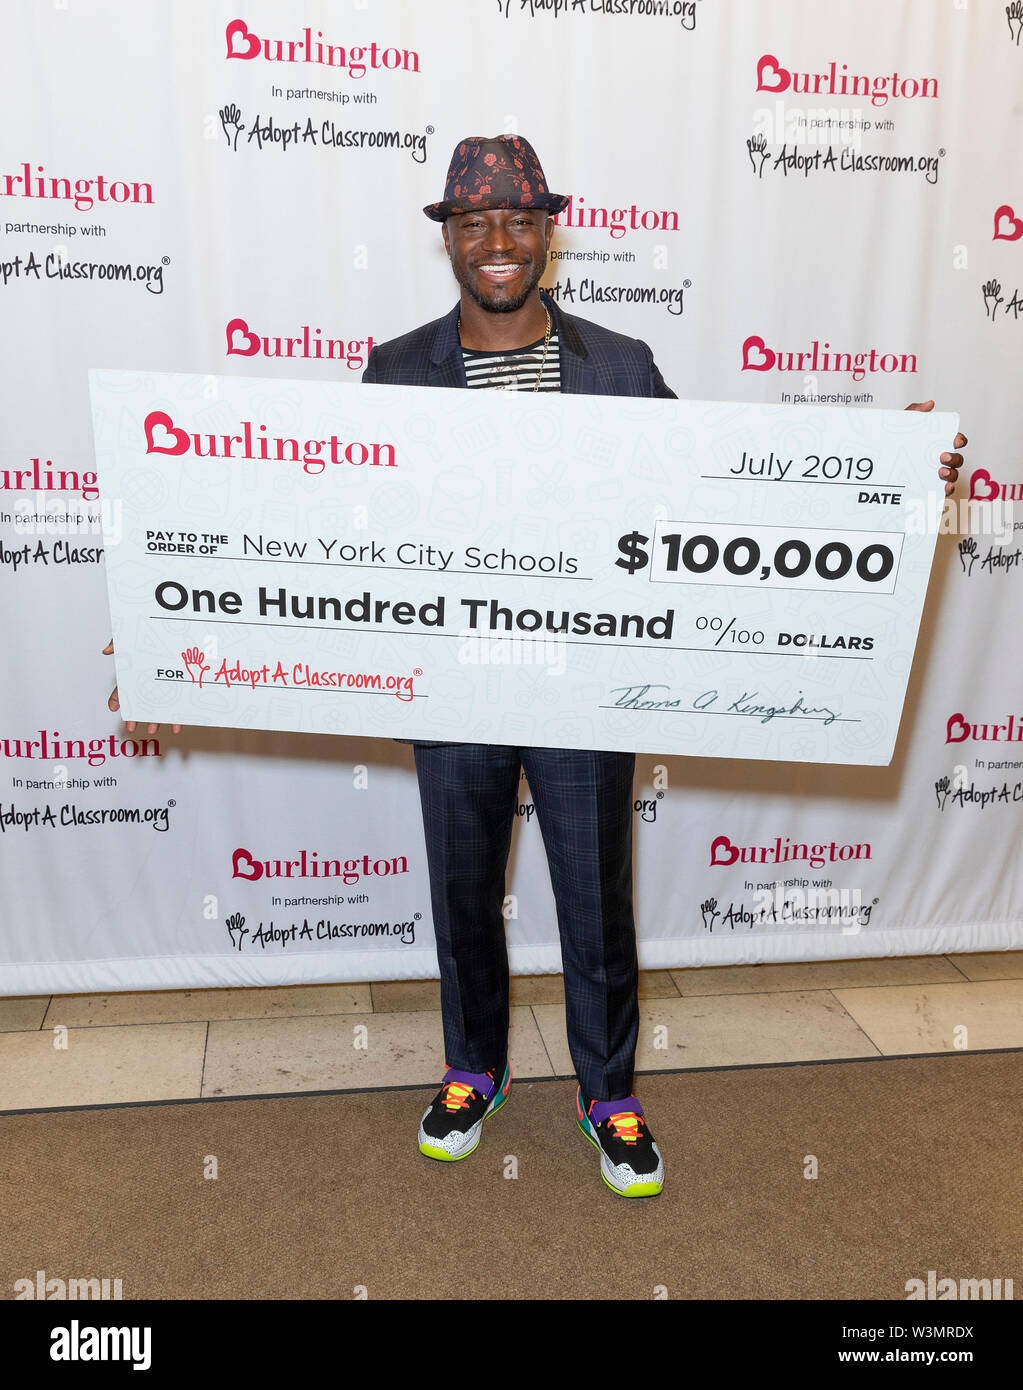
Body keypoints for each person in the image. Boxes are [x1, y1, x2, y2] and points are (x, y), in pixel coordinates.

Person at [107, 134, 968, 1201]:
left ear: (548, 234)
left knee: (595, 900)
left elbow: (713, 507)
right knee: (463, 890)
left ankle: (608, 1091)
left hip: (585, 684)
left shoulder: (619, 363)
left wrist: (886, 478)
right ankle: (474, 1067)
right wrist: (171, 631)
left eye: (518, 221)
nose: (499, 242)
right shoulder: (396, 368)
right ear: (451, 240)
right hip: (451, 681)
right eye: (476, 224)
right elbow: (316, 533)